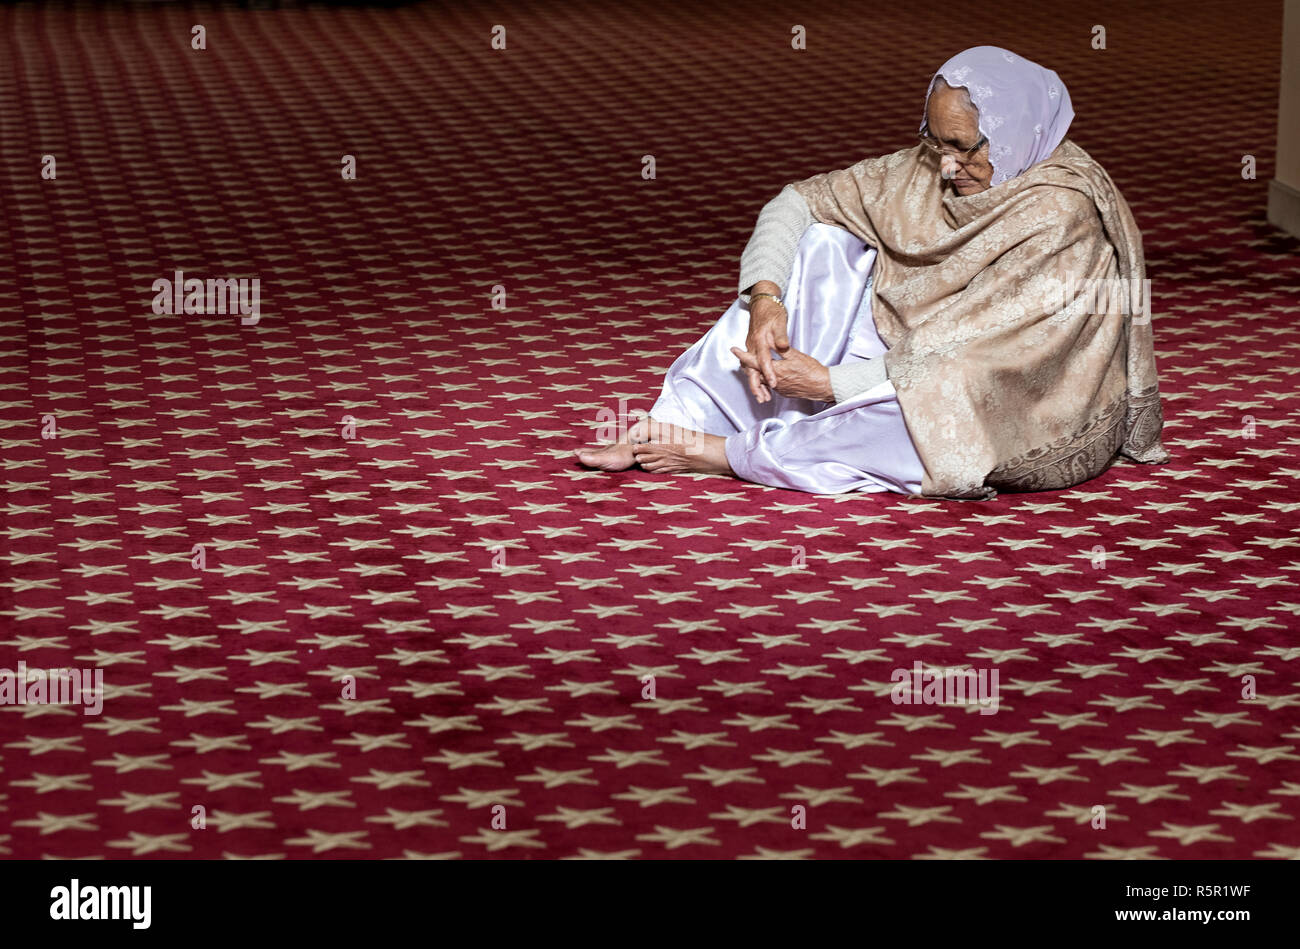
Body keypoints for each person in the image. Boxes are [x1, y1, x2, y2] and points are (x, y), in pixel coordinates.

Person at [575, 46, 1168, 500]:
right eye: (935, 142)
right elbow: (797, 202)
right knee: (823, 245)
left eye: (965, 147)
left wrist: (832, 385)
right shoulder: (930, 164)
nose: (946, 165)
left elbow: (976, 352)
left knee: (939, 410)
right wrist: (765, 302)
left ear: (1018, 135)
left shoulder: (1060, 214)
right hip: (899, 348)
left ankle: (732, 452)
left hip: (1011, 386)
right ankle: (677, 421)